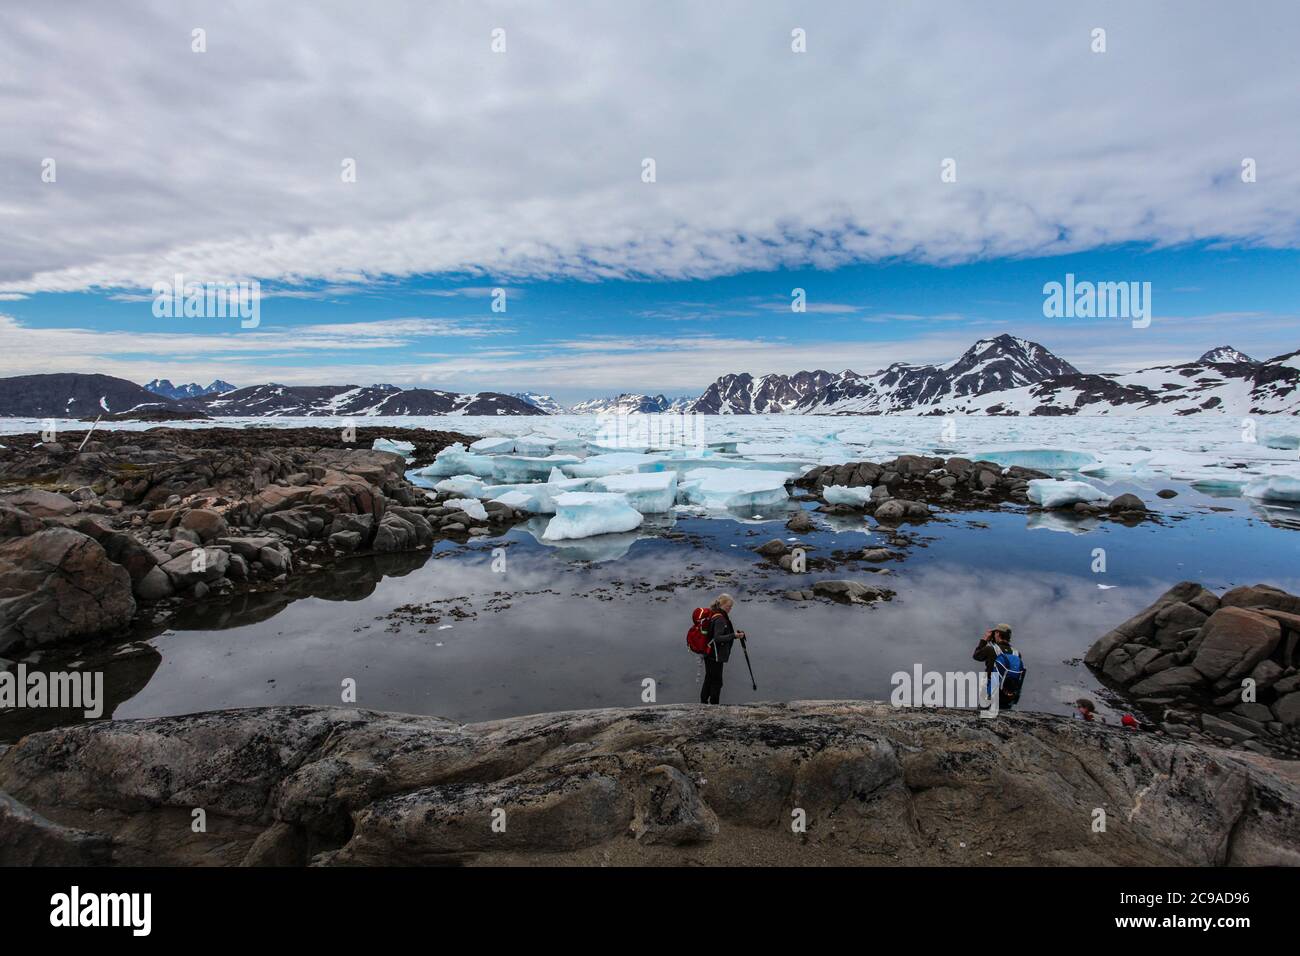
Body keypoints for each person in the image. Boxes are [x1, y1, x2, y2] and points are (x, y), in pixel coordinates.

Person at [701, 593, 746, 705]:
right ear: (722, 604)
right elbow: (717, 638)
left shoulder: (714, 613)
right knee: (717, 682)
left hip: (708, 653)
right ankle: (714, 706)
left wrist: (734, 635)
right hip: (715, 655)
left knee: (709, 678)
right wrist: (734, 636)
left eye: (731, 607)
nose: (730, 609)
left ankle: (703, 703)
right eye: (729, 606)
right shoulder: (720, 619)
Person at [972, 623, 1025, 710]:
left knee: (983, 718)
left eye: (995, 633)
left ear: (998, 634)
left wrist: (984, 640)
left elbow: (976, 656)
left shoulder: (991, 649)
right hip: (1008, 694)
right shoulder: (1017, 653)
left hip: (991, 693)